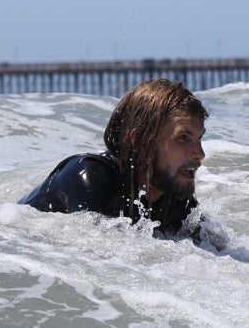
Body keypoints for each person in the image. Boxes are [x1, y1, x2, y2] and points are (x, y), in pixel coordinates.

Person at [22, 78, 208, 237]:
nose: (200, 154)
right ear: (141, 142)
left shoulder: (177, 199)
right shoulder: (90, 177)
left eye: (199, 138)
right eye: (183, 138)